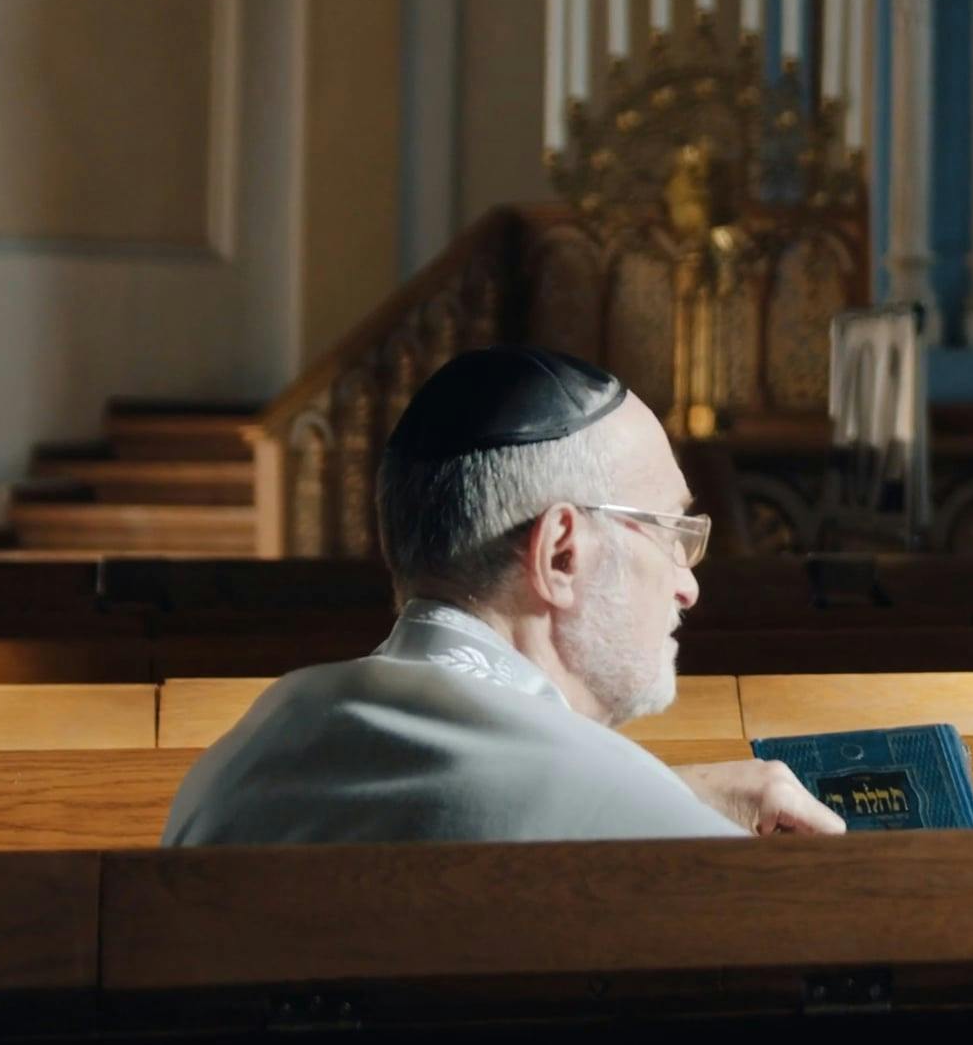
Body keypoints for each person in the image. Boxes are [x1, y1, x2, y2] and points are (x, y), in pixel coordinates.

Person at [163, 346, 841, 842]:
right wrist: (670, 806)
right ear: (560, 554)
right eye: (670, 532)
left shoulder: (237, 762)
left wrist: (673, 792)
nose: (688, 583)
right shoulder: (649, 837)